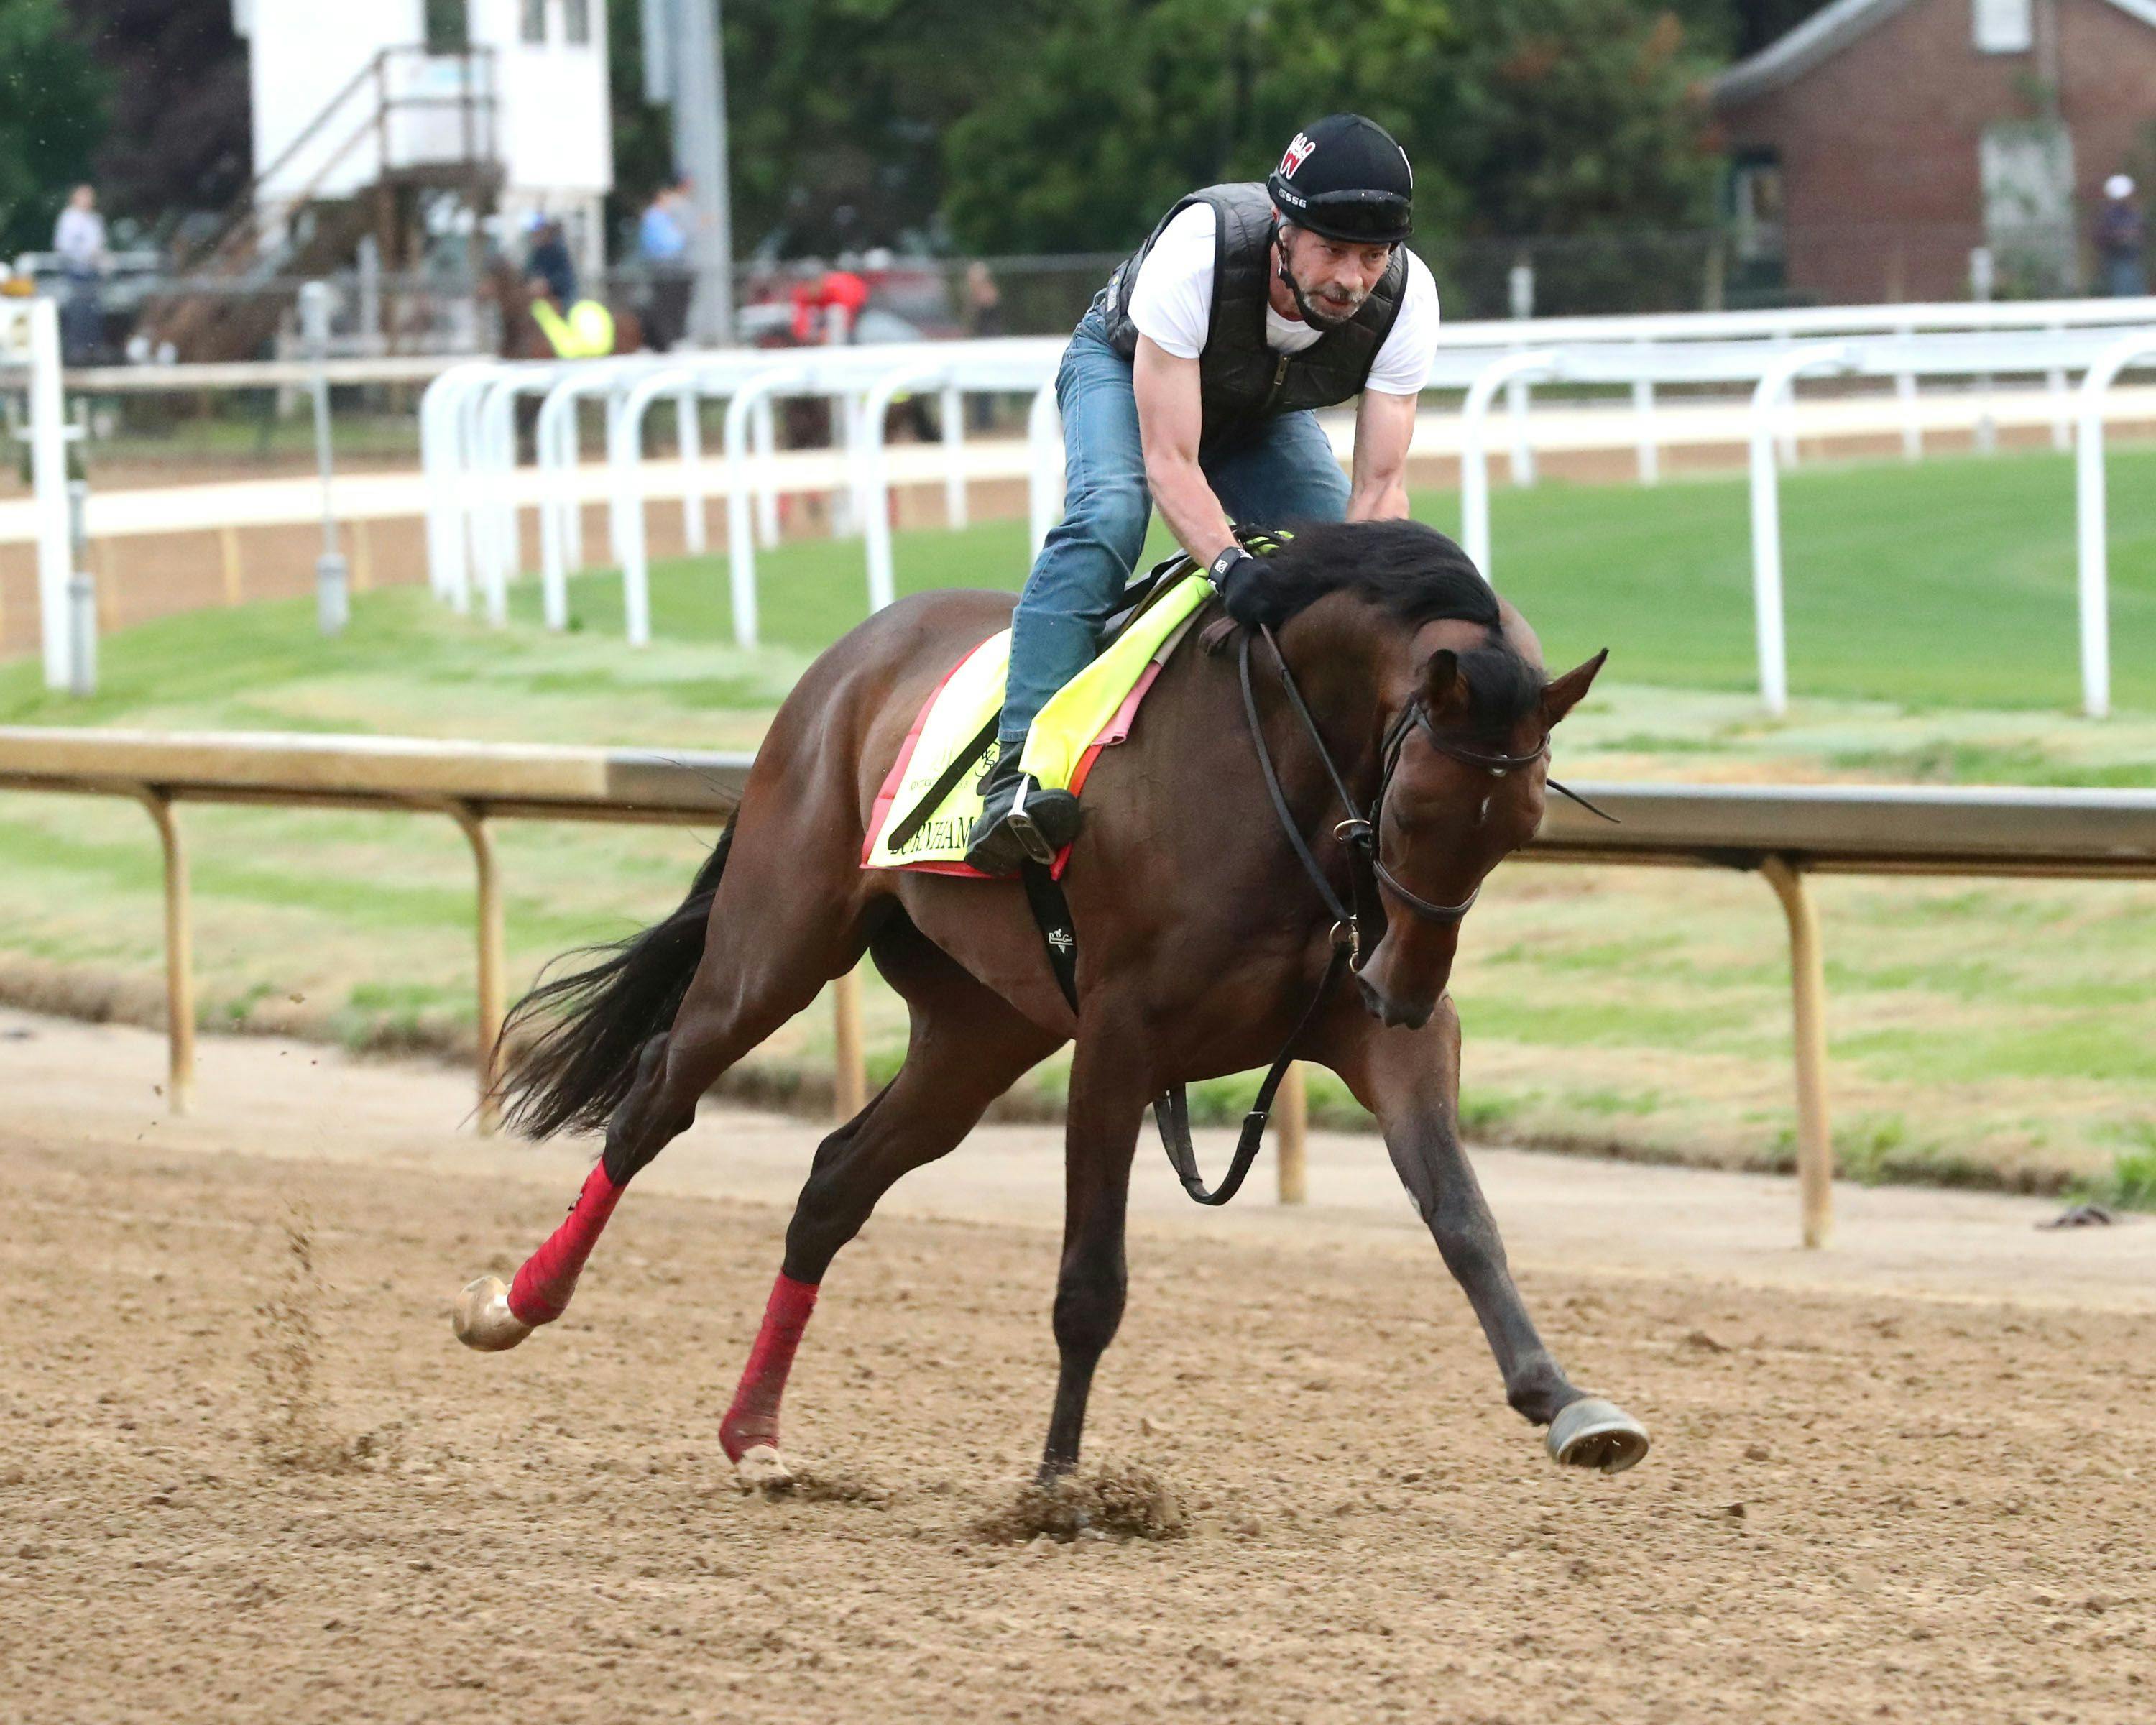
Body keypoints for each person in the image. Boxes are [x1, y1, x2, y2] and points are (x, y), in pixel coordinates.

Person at [965, 112, 1440, 875]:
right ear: (1283, 228)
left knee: (1332, 560)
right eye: (1333, 251)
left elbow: (1381, 490)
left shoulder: (1409, 299)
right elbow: (1171, 461)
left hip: (1255, 410)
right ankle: (1020, 771)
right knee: (1111, 515)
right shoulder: (1200, 252)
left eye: (1373, 255)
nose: (1354, 280)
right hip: (1124, 375)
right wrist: (1226, 565)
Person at [52, 184, 108, 364]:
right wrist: (84, 255)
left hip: (92, 272)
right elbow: (64, 246)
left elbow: (100, 245)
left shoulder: (94, 220)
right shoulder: (68, 219)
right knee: (78, 311)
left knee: (94, 311)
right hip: (76, 272)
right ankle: (77, 349)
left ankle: (93, 348)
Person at [640, 176, 694, 350]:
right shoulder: (655, 217)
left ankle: (669, 339)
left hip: (670, 268)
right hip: (665, 269)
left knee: (670, 305)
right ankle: (665, 340)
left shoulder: (661, 217)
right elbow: (669, 242)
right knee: (666, 306)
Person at [2096, 175, 2146, 298]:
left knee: (2134, 292)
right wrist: (2124, 235)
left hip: (2132, 260)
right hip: (2119, 261)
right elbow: (2103, 237)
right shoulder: (2111, 214)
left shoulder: (2131, 212)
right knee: (2124, 294)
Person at [523, 211, 579, 308]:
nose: (537, 236)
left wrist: (547, 284)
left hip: (561, 297)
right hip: (540, 299)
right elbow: (528, 272)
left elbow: (565, 278)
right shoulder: (537, 252)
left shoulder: (559, 251)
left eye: (540, 232)